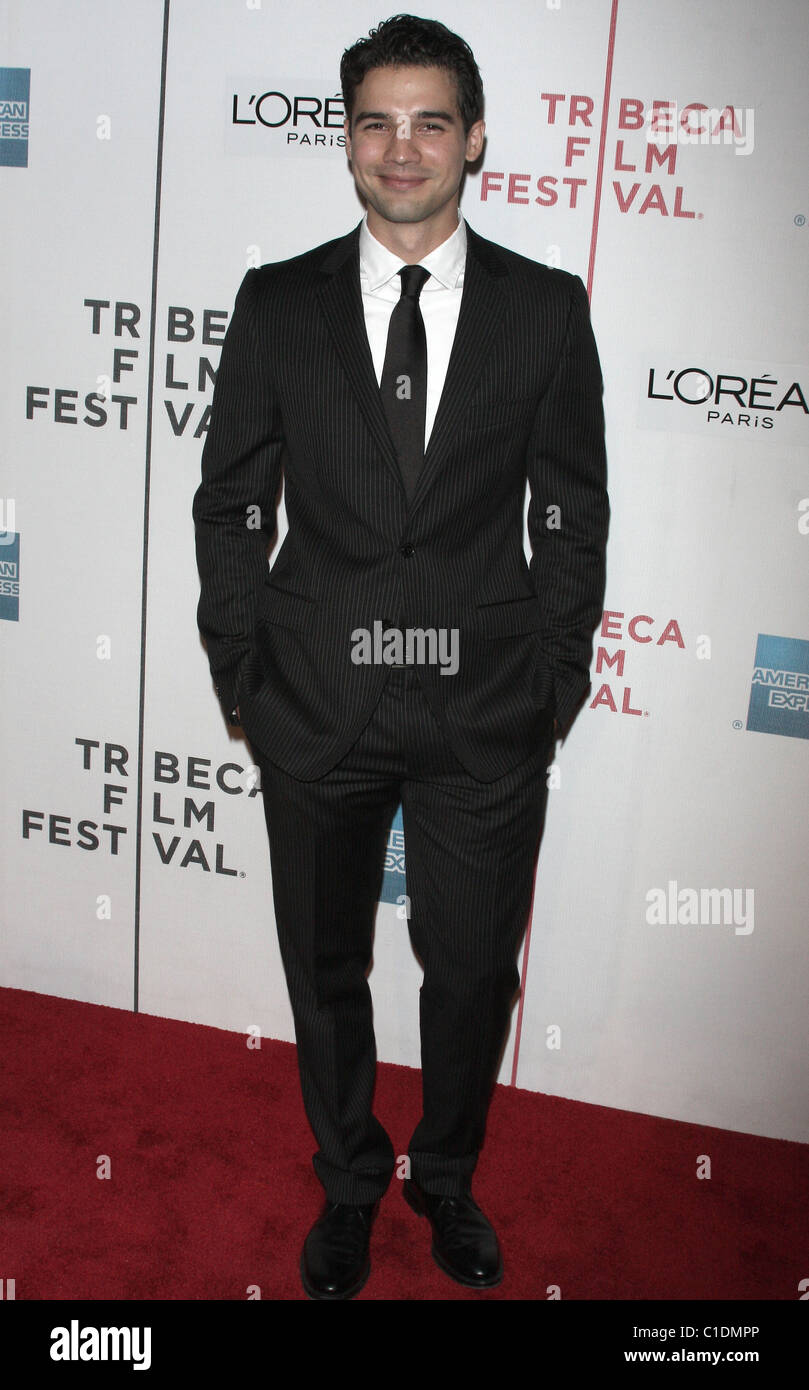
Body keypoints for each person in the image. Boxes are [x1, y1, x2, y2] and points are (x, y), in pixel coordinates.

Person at [193, 13, 608, 1300]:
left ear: (473, 138)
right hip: (316, 699)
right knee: (324, 968)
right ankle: (350, 1183)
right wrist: (242, 671)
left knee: (471, 967)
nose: (403, 146)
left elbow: (570, 508)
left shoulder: (544, 310)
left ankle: (446, 1175)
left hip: (483, 711)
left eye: (430, 120)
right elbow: (232, 502)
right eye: (375, 120)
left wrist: (549, 681)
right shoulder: (278, 301)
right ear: (349, 140)